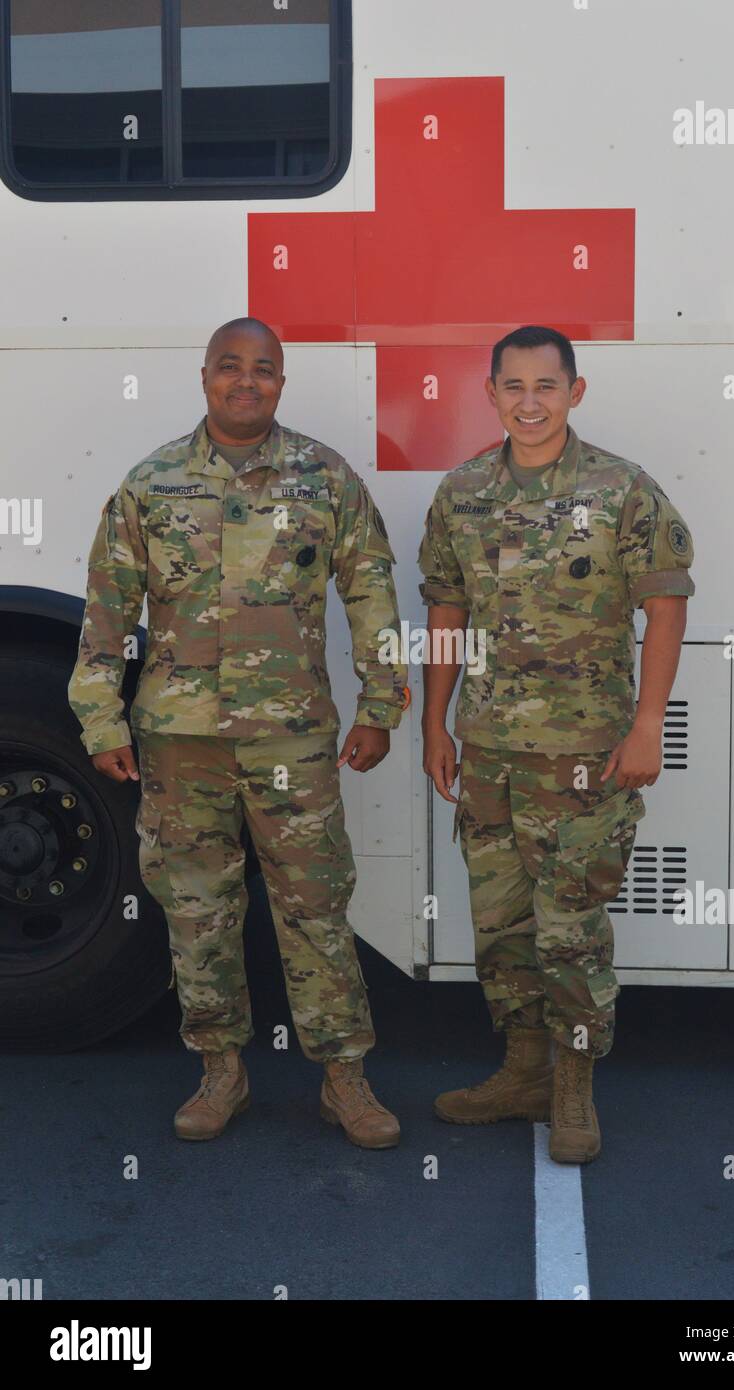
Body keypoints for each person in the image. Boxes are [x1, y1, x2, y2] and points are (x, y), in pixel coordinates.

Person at [69, 317, 408, 1149]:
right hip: (180, 741)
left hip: (290, 740)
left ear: (281, 384)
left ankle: (344, 1079)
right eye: (231, 367)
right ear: (206, 377)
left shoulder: (325, 478)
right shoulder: (151, 483)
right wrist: (100, 716)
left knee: (316, 907)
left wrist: (382, 705)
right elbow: (107, 610)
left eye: (263, 369)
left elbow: (372, 597)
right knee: (198, 910)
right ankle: (221, 1071)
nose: (245, 381)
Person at [418, 324, 695, 1163]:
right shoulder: (462, 492)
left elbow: (667, 601)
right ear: (491, 393)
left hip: (584, 757)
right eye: (513, 386)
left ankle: (574, 1089)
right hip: (490, 754)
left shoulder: (621, 489)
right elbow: (445, 613)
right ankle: (524, 1070)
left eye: (546, 385)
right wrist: (436, 720)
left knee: (570, 932)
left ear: (576, 392)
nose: (529, 402)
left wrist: (649, 724)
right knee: (501, 929)